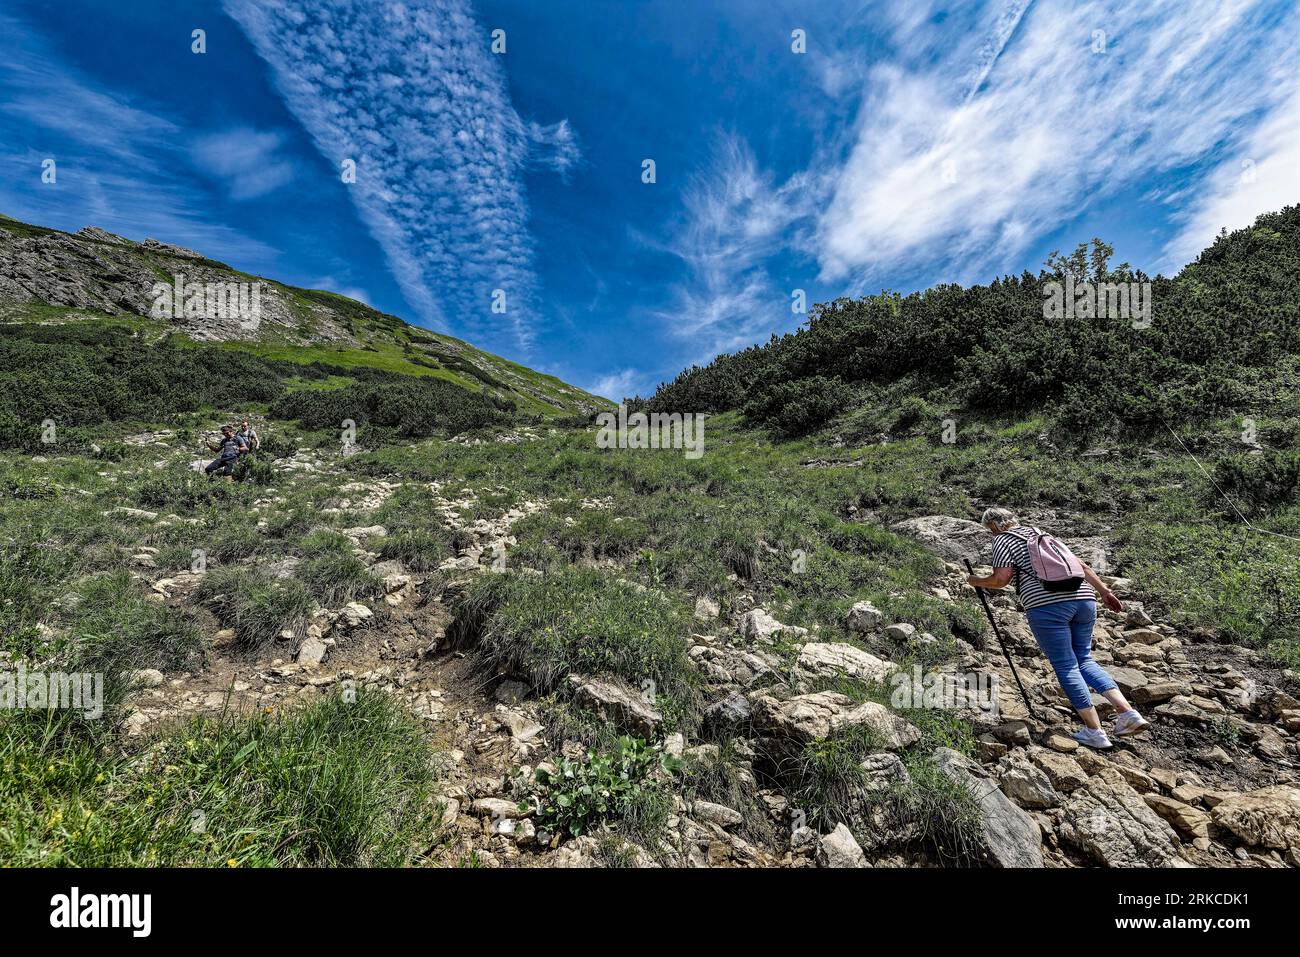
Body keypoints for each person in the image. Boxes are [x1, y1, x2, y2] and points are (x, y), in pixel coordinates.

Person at [967, 507, 1150, 749]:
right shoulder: (1043, 534)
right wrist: (1105, 592)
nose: (990, 534)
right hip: (1084, 599)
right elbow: (1082, 566)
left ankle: (1094, 731)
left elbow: (1001, 579)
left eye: (989, 530)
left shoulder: (1002, 540)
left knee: (1066, 664)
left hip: (1047, 605)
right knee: (1084, 659)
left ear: (993, 526)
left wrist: (976, 581)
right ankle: (1127, 714)